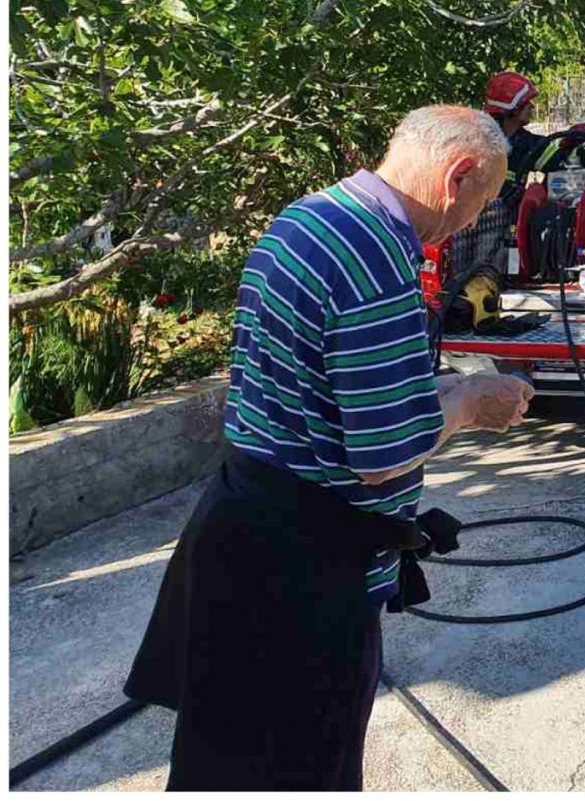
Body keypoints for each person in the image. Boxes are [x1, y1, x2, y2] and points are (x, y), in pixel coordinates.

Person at [123, 106, 537, 789]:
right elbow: (382, 455)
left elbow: (322, 383)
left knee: (224, 763)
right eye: (482, 202)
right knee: (298, 772)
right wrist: (469, 404)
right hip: (303, 579)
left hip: (243, 532)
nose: (472, 224)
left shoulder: (312, 217)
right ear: (457, 176)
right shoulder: (375, 261)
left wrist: (429, 388)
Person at [484, 71, 547, 190]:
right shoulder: (479, 141)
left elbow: (557, 159)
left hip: (514, 208)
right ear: (512, 107)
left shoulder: (527, 142)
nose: (532, 107)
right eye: (526, 102)